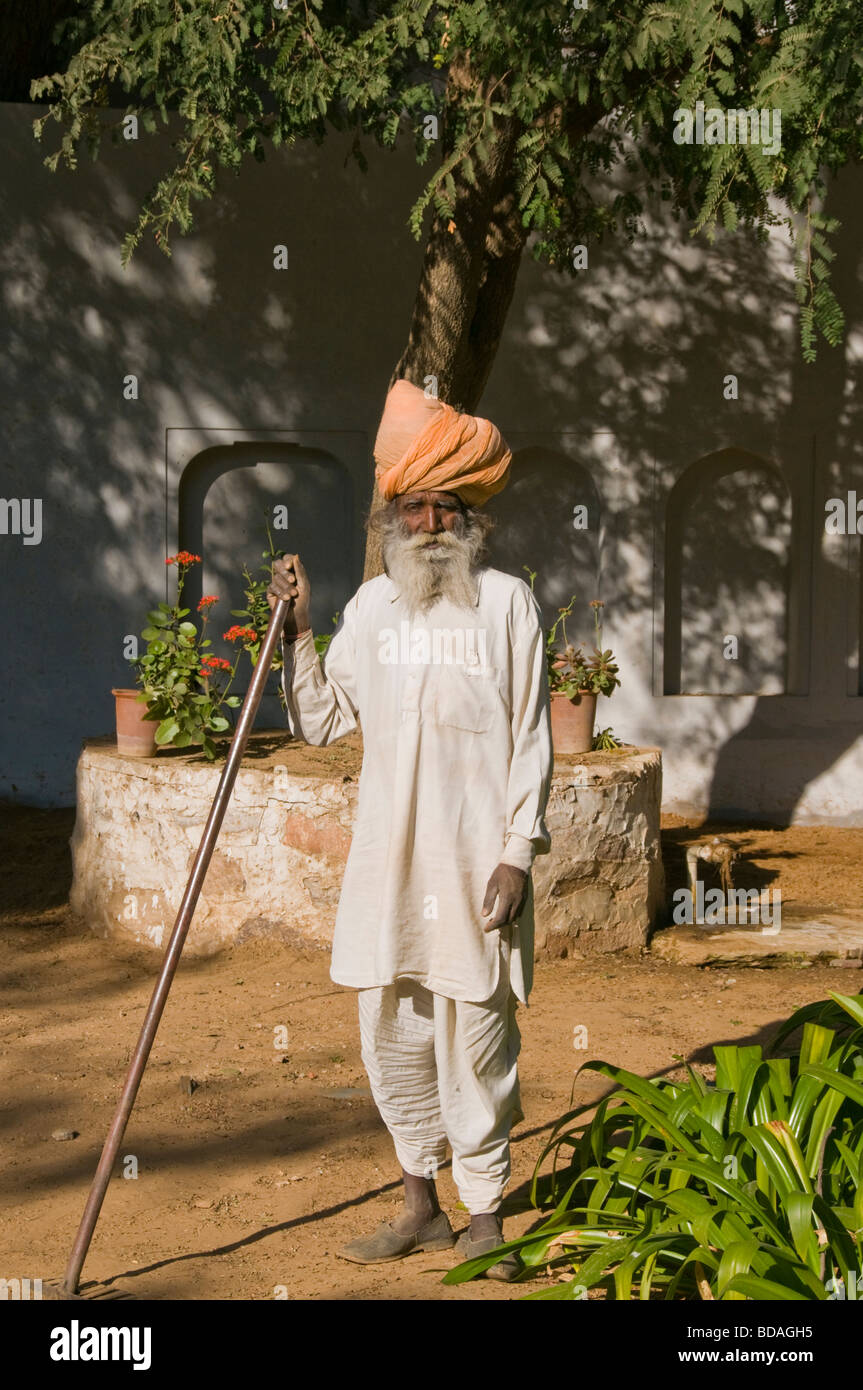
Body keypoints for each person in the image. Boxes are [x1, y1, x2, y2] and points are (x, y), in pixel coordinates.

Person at [267, 378, 553, 1281]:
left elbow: (533, 739)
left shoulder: (505, 606)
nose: (430, 524)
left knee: (477, 1040)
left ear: (471, 519)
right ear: (394, 517)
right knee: (389, 1035)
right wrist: (297, 632)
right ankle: (419, 1205)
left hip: (475, 869)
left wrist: (516, 851)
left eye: (446, 508)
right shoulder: (370, 611)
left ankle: (486, 1221)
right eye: (414, 508)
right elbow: (322, 721)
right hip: (388, 870)